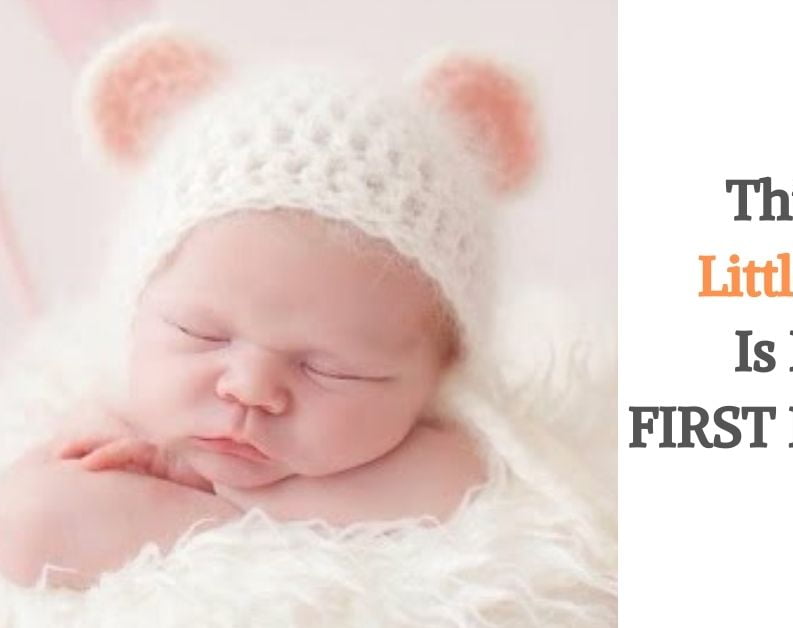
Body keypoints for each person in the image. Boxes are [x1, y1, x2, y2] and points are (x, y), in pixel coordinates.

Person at [0, 22, 537, 590]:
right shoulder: (118, 419)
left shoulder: (440, 454)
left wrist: (224, 499)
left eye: (329, 368)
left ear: (437, 377)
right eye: (200, 333)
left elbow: (457, 482)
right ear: (135, 314)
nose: (249, 389)